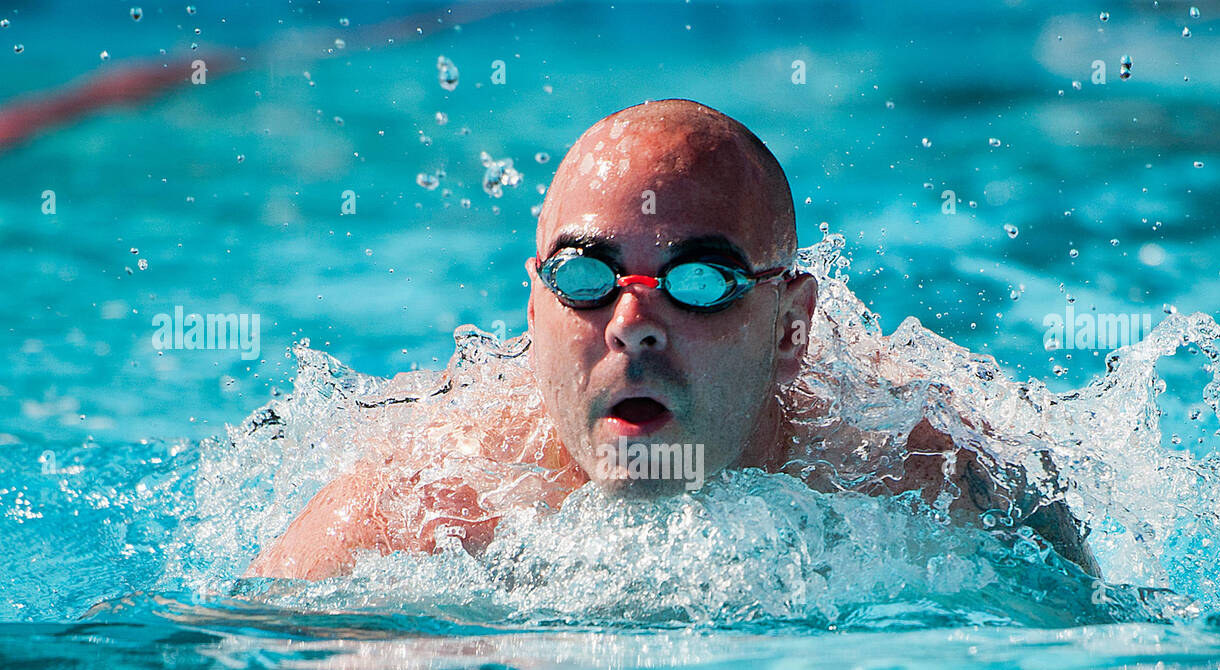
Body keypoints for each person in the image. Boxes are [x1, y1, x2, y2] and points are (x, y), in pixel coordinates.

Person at [249, 98, 1098, 581]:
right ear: (535, 311)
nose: (633, 324)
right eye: (586, 277)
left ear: (792, 330)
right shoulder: (420, 503)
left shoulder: (922, 481)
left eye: (700, 279)